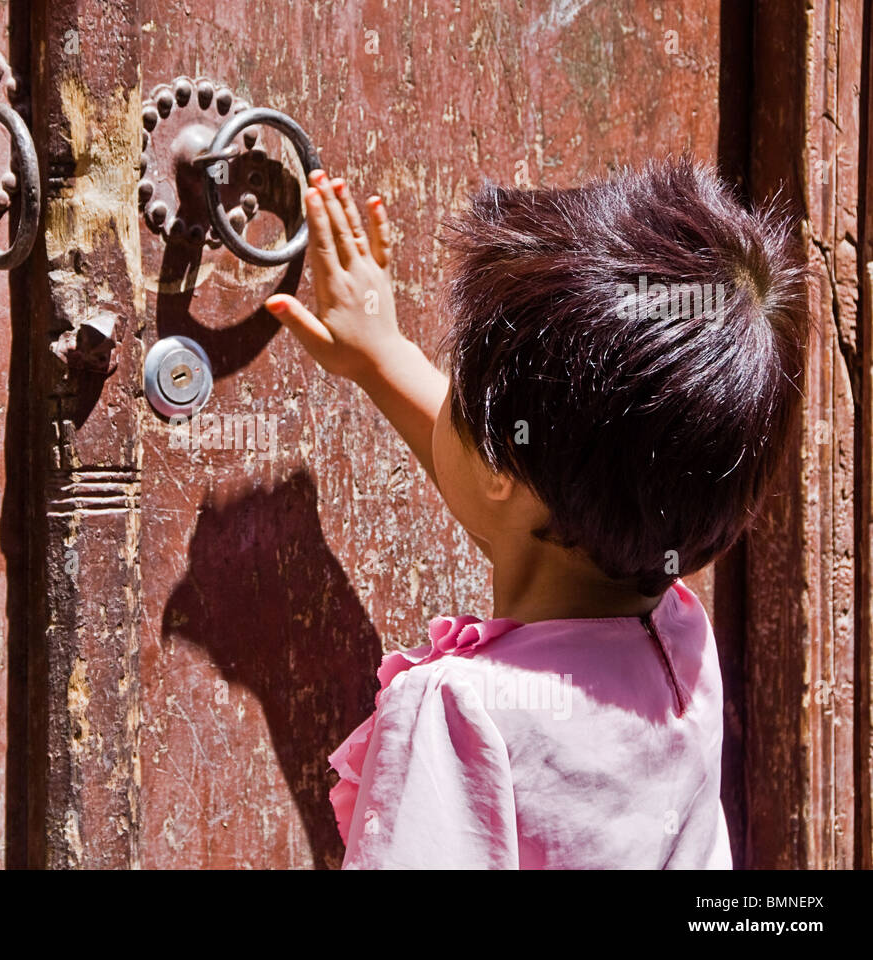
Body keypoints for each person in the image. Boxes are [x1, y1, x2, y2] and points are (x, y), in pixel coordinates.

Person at [264, 158, 808, 868]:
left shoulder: (462, 715)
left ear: (501, 467)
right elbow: (539, 492)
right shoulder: (676, 641)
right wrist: (382, 355)